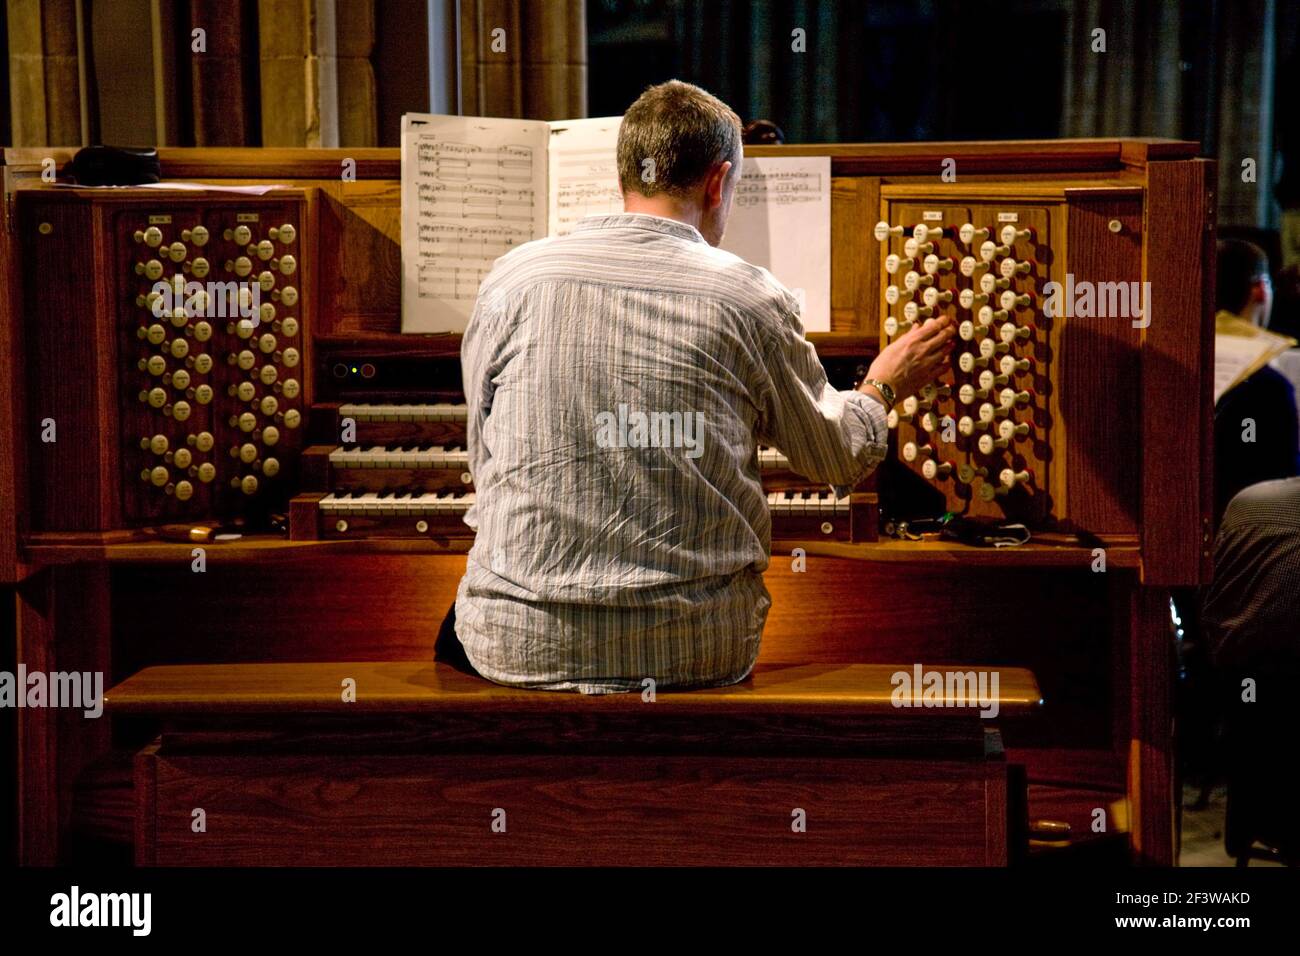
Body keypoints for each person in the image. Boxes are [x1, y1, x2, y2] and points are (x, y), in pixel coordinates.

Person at [444, 80, 954, 693]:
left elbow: (487, 456)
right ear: (718, 181)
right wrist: (882, 387)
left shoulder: (512, 280)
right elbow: (836, 456)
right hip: (694, 649)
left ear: (626, 174)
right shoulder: (748, 297)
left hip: (520, 641)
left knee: (455, 631)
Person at [1213, 240, 1300, 520]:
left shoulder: (1175, 366)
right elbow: (1284, 488)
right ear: (1260, 289)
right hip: (1253, 531)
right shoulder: (1268, 387)